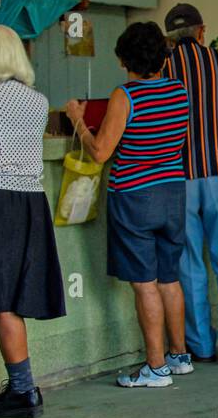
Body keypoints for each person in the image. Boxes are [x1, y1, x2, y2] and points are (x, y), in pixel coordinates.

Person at [65, 21, 191, 388]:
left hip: (135, 197)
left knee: (144, 284)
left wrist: (77, 119)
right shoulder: (179, 92)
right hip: (172, 193)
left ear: (124, 60)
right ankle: (179, 356)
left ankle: (155, 367)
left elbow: (101, 151)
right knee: (169, 278)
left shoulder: (127, 96)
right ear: (163, 58)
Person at [0, 24, 66, 418]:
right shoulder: (37, 101)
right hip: (32, 202)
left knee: (0, 300)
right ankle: (23, 386)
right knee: (13, 298)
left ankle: (22, 390)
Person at [162, 3, 218, 365]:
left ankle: (197, 344)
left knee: (189, 260)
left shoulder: (163, 66)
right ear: (202, 30)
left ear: (169, 37)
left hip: (177, 170)